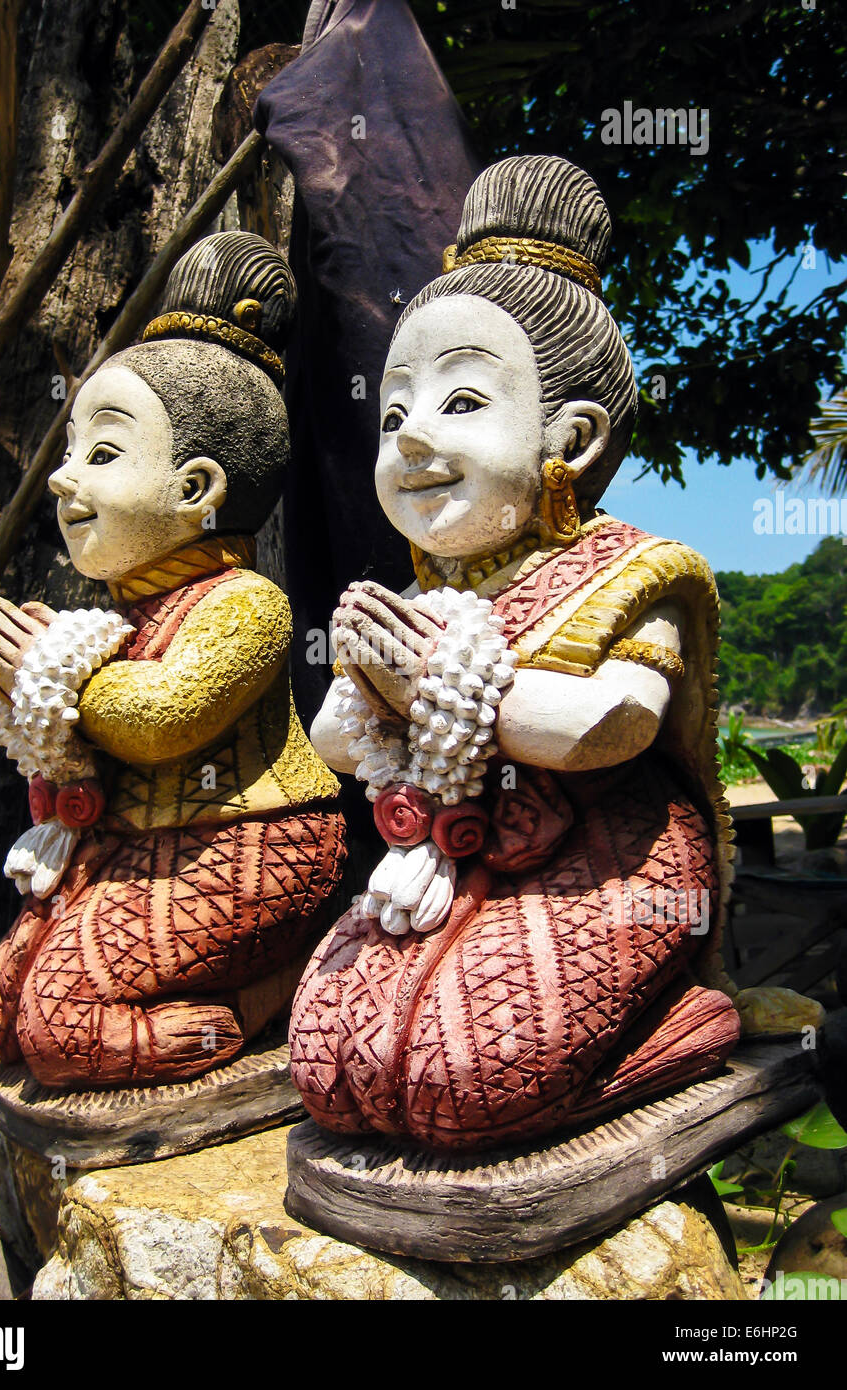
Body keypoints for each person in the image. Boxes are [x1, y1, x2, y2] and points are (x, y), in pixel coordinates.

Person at [291, 156, 743, 1151]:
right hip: (443, 859)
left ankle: (674, 1027)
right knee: (331, 1061)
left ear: (570, 437)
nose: (408, 439)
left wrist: (438, 685)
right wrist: (364, 683)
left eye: (458, 403)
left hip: (610, 858)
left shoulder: (633, 572)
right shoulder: (420, 597)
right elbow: (334, 740)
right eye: (395, 411)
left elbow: (606, 724)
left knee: (461, 1080)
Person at [0, 232, 345, 1089]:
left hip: (251, 845)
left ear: (197, 490)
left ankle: (250, 1010)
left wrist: (50, 676)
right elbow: (97, 732)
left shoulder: (244, 603)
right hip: (140, 846)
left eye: (101, 455)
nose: (62, 481)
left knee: (60, 1027)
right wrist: (29, 687)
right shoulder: (114, 622)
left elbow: (164, 715)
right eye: (68, 455)